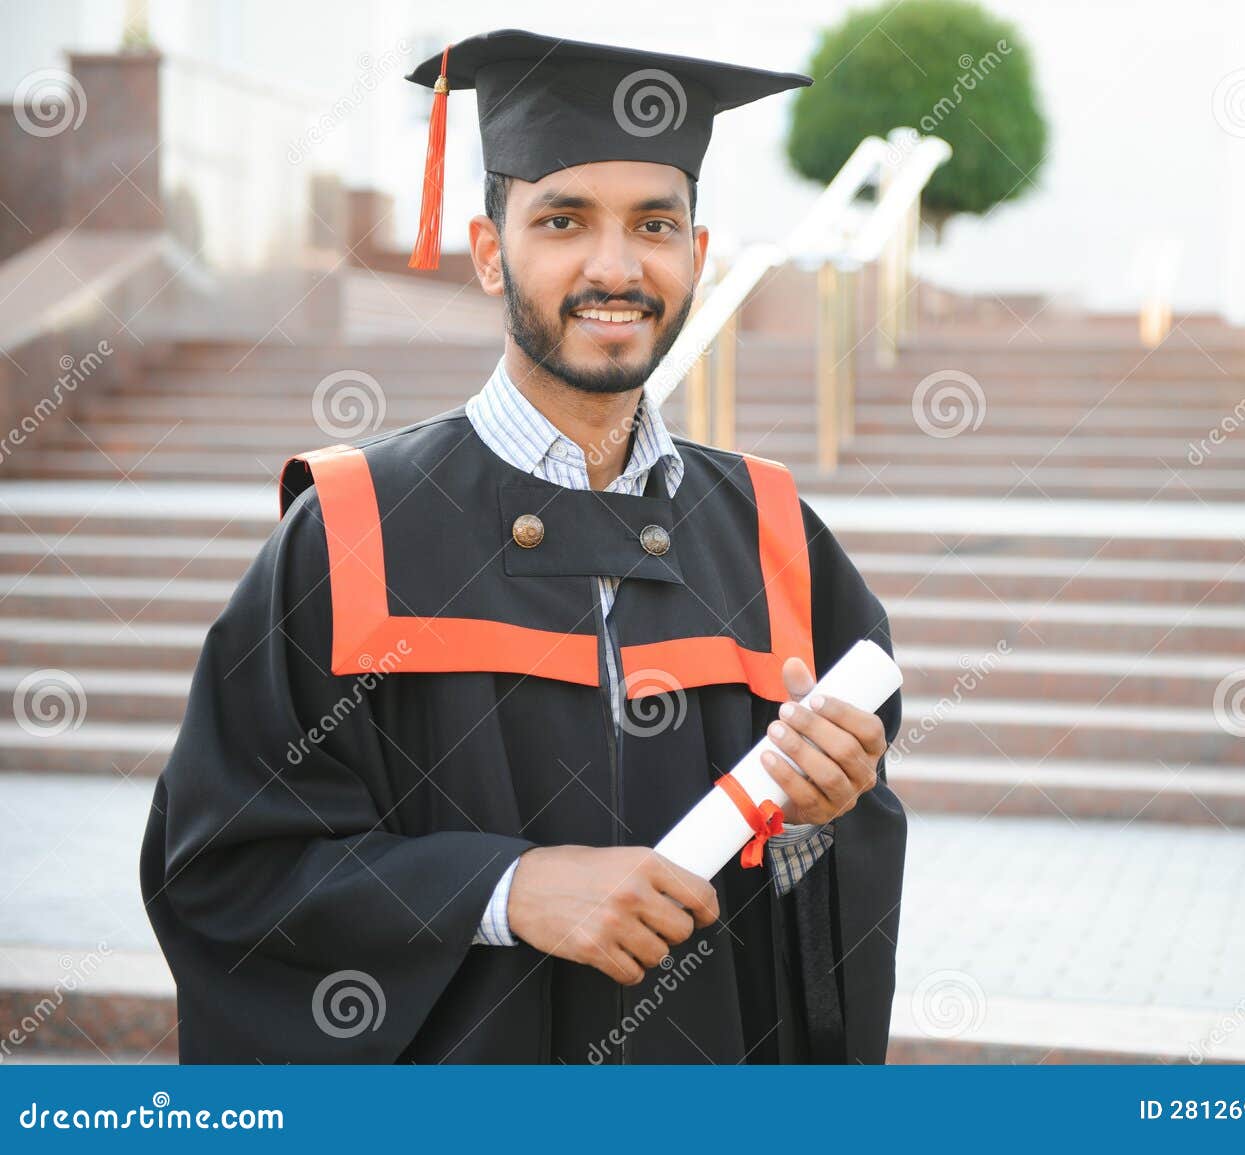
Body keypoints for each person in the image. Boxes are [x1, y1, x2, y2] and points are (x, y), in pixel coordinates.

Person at [139, 28, 906, 1064]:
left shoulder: (771, 534)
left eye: (653, 224)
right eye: (562, 219)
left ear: (696, 256)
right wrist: (504, 889)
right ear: (491, 250)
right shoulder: (356, 526)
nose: (613, 265)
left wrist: (824, 817)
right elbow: (225, 869)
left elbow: (831, 887)